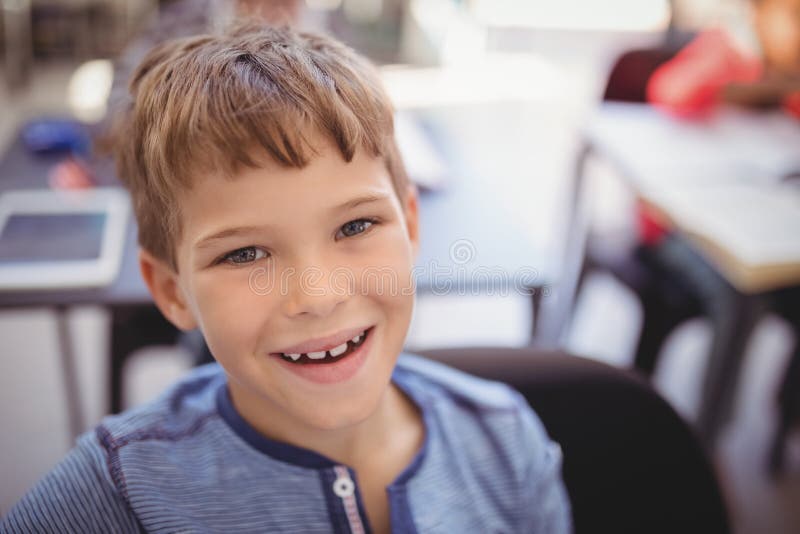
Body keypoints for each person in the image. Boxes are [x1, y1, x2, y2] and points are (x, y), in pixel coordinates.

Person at [0, 23, 571, 533]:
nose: (318, 297)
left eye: (355, 225)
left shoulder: (506, 443)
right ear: (173, 291)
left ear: (411, 224)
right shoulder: (116, 497)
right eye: (245, 254)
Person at [647, 0, 800, 117]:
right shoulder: (727, 48)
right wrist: (767, 91)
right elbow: (671, 92)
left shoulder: (792, 67)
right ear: (758, 14)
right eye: (796, 14)